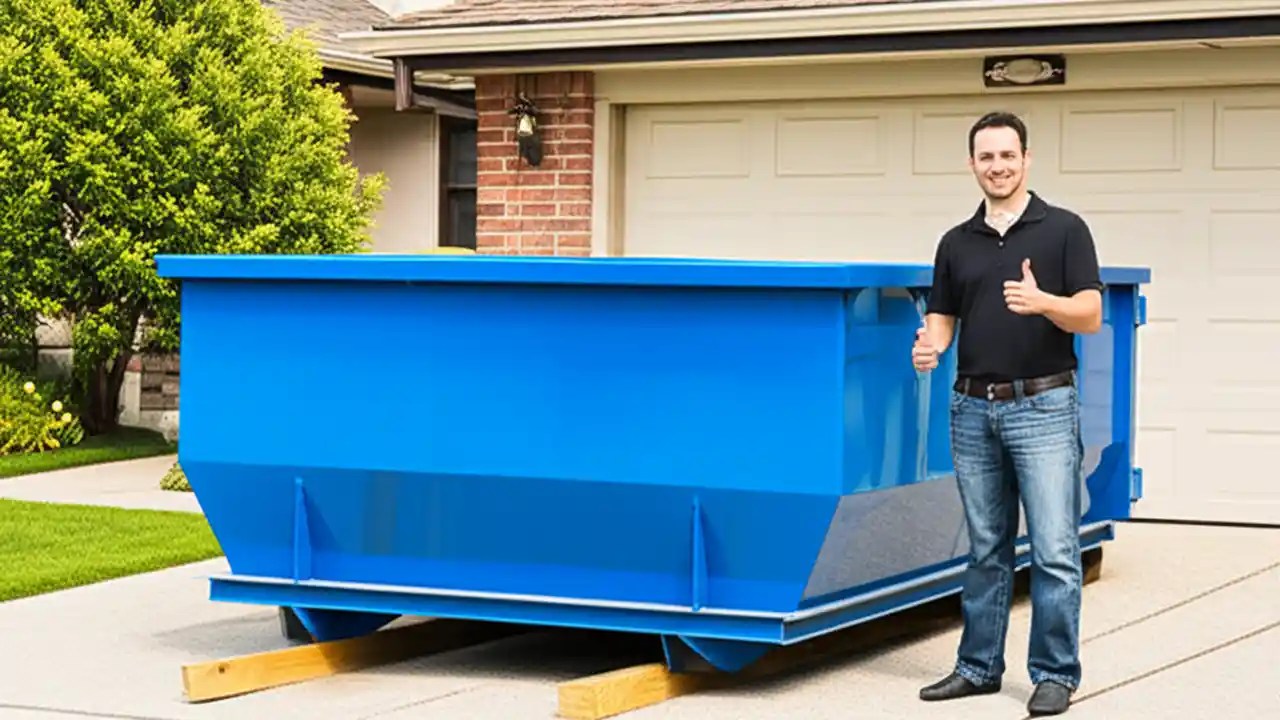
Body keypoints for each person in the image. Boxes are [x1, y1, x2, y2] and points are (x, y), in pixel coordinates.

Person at [912, 111, 1104, 717]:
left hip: (1044, 407)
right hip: (972, 409)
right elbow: (944, 317)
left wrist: (1044, 301)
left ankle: (1054, 673)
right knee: (986, 549)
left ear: (1027, 159)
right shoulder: (955, 242)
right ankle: (978, 668)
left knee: (1054, 550)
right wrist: (929, 345)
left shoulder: (1065, 229)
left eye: (1007, 155)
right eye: (986, 157)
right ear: (972, 164)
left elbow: (1091, 314)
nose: (997, 166)